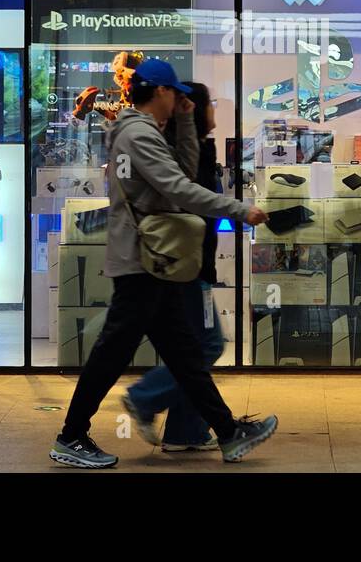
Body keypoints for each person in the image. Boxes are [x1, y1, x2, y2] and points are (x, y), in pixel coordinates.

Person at [50, 59, 278, 467]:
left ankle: (227, 433)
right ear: (159, 91)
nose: (179, 99)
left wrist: (187, 125)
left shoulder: (139, 131)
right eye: (174, 92)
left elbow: (181, 175)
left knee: (185, 355)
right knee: (112, 354)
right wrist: (239, 210)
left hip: (152, 260)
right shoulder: (139, 133)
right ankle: (71, 435)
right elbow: (179, 189)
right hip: (142, 260)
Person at [122, 81, 227, 452]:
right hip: (187, 267)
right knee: (207, 344)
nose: (216, 109)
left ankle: (187, 431)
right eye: (210, 103)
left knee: (196, 345)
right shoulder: (189, 156)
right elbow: (192, 203)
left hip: (191, 265)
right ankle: (145, 397)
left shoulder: (198, 151)